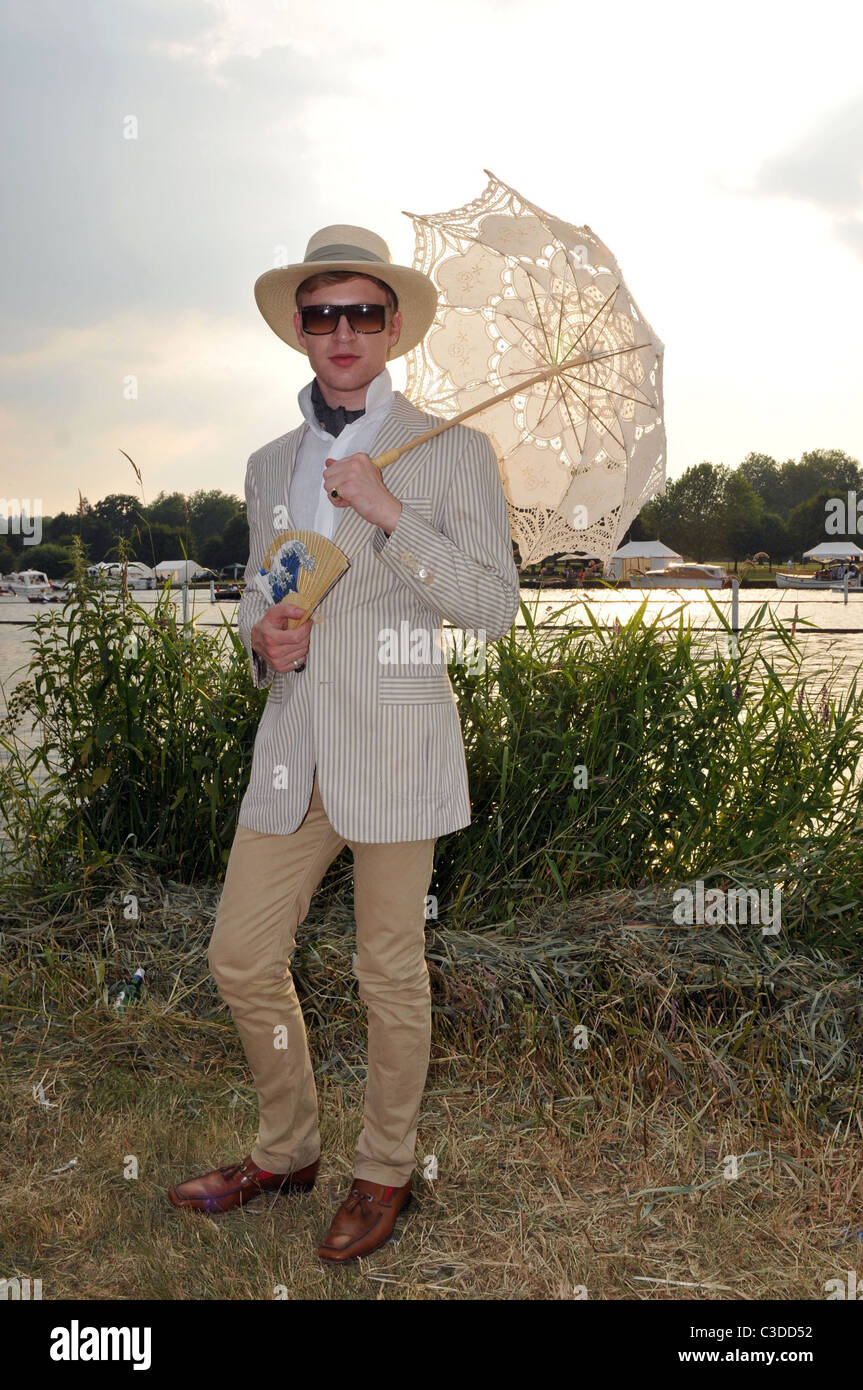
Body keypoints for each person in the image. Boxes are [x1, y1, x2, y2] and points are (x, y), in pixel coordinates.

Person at [167, 225, 521, 1261]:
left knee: (387, 970)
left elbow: (492, 606)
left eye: (362, 312)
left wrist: (390, 512)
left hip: (398, 748)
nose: (342, 331)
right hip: (293, 749)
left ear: (393, 325)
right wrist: (263, 641)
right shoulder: (270, 463)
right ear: (297, 329)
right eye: (321, 314)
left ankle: (382, 1169)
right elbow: (254, 593)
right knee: (240, 954)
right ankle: (286, 1148)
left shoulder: (450, 450)